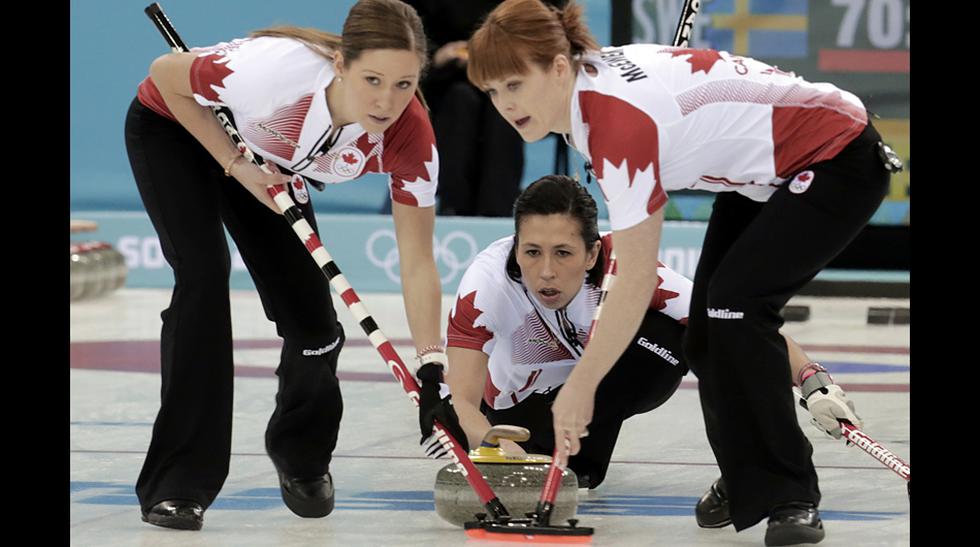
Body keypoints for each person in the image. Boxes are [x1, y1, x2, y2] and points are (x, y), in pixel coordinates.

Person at [465, 1, 887, 544]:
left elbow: (635, 278)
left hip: (835, 157)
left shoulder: (616, 125)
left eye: (516, 85)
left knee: (737, 305)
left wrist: (582, 388)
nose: (505, 105)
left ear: (559, 67)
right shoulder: (591, 90)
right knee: (707, 334)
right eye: (493, 91)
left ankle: (790, 495)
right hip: (761, 175)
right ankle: (746, 474)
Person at [125, 0, 457, 531]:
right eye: (373, 79)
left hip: (269, 161)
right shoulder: (273, 75)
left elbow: (418, 262)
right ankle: (177, 482)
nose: (387, 100)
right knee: (204, 281)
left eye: (404, 84)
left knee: (316, 326)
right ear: (342, 65)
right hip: (177, 127)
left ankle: (301, 454)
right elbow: (164, 76)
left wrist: (432, 368)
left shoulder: (409, 135)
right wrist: (233, 164)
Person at [445, 175, 831, 495]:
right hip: (523, 416)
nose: (545, 271)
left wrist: (811, 379)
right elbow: (461, 400)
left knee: (681, 331)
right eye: (531, 252)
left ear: (593, 254)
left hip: (602, 392)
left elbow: (732, 321)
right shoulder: (488, 285)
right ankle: (560, 459)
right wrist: (493, 444)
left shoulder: (624, 266)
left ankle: (747, 468)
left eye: (563, 253)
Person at [401, 0, 537, 216]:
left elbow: (547, 22)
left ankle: (498, 210)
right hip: (442, 81)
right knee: (460, 101)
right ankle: (454, 206)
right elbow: (404, 23)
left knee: (503, 108)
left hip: (512, 74)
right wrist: (433, 55)